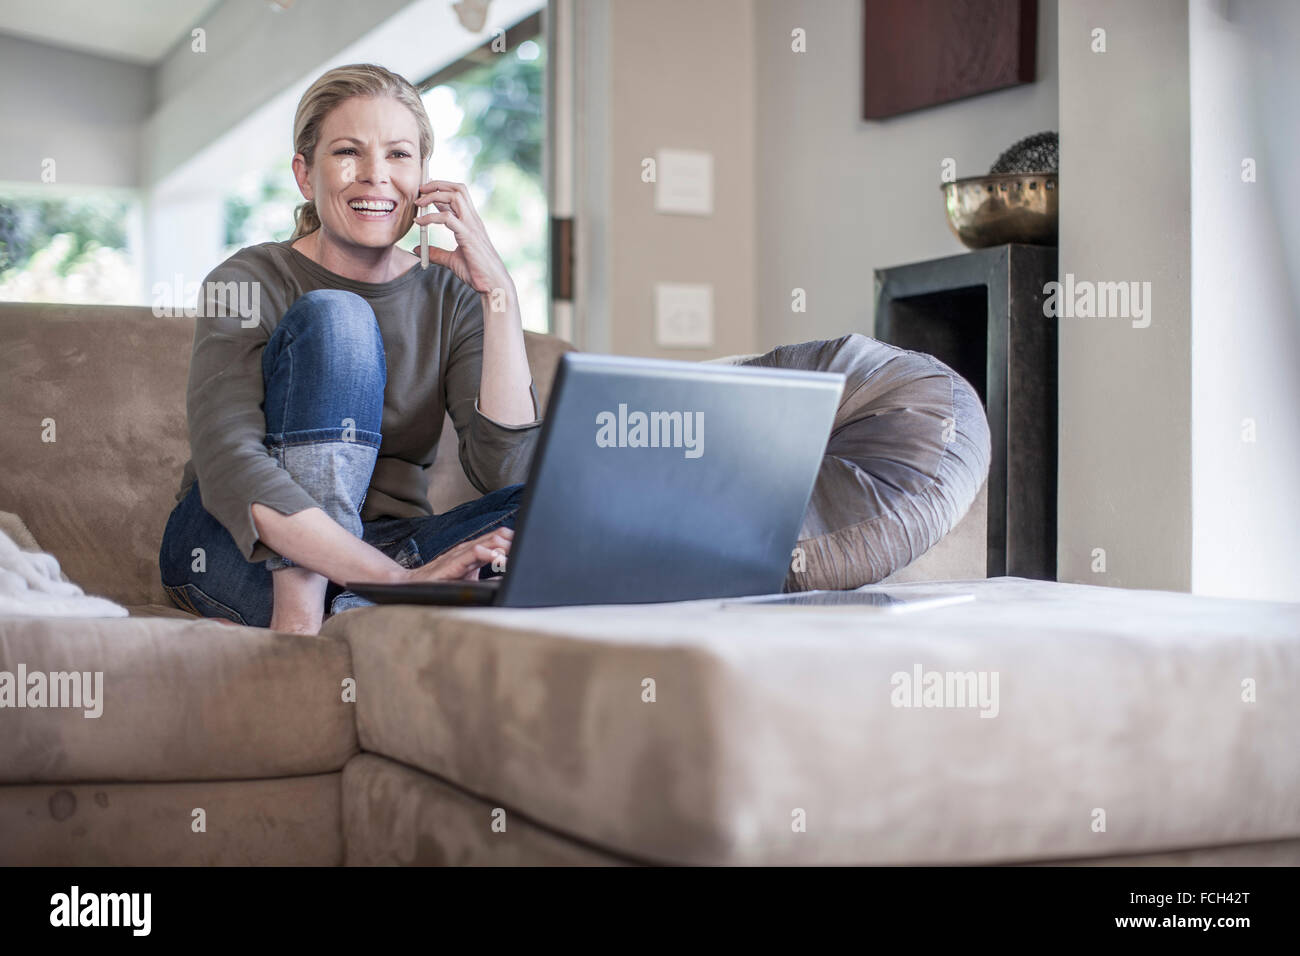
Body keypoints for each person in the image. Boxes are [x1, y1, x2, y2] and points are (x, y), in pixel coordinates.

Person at [159, 63, 540, 635]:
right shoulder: (248, 279)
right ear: (305, 174)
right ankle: (311, 617)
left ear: (424, 176)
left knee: (558, 512)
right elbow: (229, 466)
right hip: (241, 549)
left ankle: (369, 601)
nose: (375, 176)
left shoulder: (450, 294)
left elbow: (505, 473)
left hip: (393, 546)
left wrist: (498, 294)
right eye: (347, 152)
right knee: (340, 318)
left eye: (398, 155)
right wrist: (401, 583)